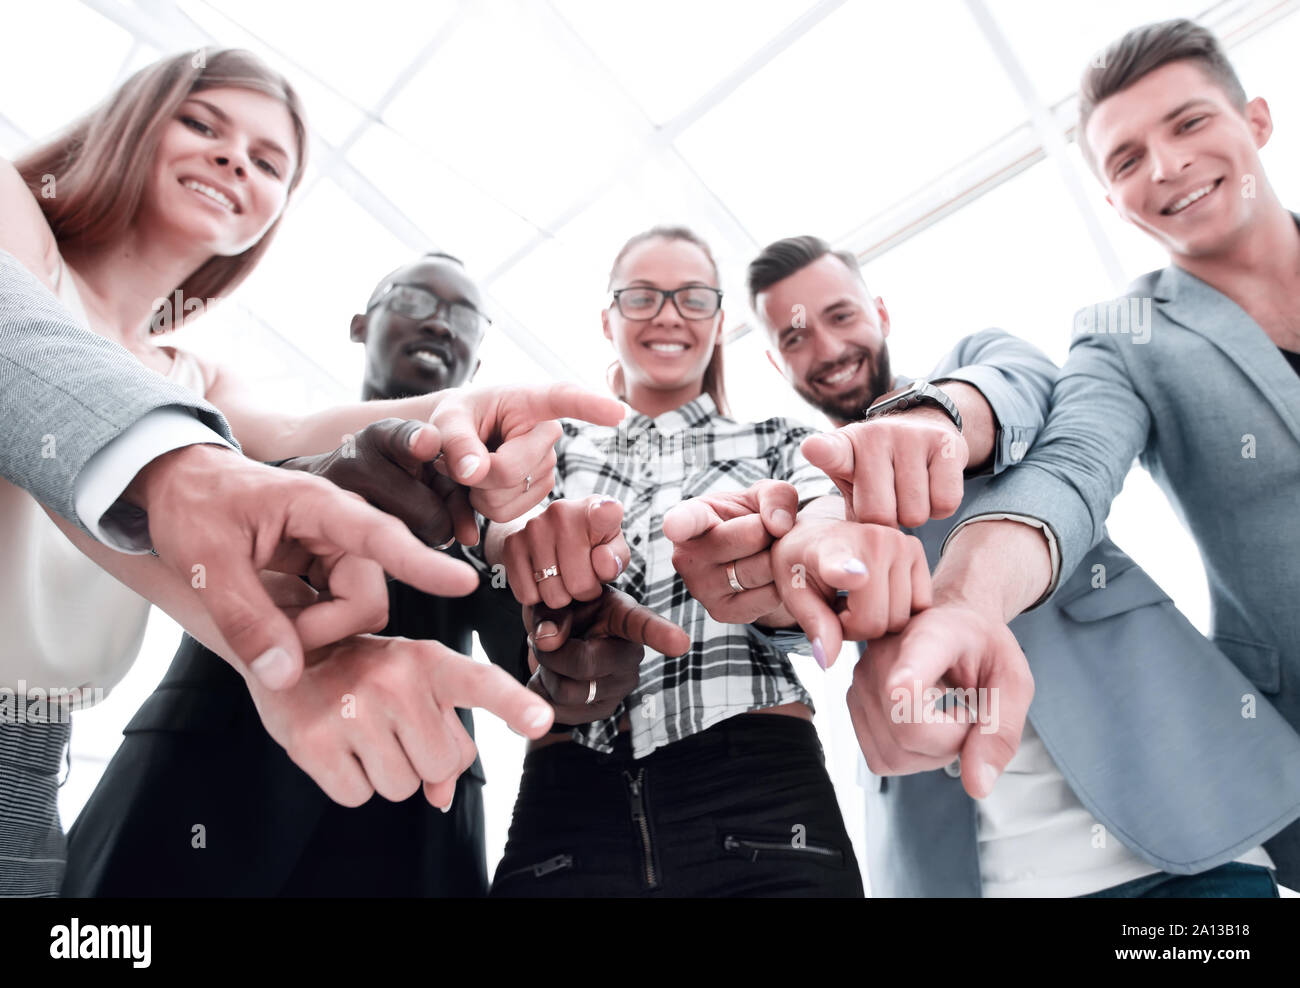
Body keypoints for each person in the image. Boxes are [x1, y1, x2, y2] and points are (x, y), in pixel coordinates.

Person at [0, 49, 620, 896]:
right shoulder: (16, 221)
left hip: (29, 767)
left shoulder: (193, 382)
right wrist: (181, 472)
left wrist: (474, 407)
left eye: (268, 163)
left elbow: (296, 430)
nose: (233, 161)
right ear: (132, 121)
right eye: (203, 124)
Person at [666, 233, 1298, 897]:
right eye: (795, 338)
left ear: (879, 313)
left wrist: (931, 425)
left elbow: (1012, 390)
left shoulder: (977, 361)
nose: (825, 349)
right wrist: (760, 584)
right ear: (775, 360)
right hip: (973, 873)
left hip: (1177, 834)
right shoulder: (795, 484)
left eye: (841, 316)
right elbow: (791, 603)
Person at [61, 253, 668, 897]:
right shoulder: (237, 424)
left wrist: (561, 631)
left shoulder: (502, 495)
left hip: (413, 801)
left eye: (463, 315)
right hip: (201, 773)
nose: (439, 324)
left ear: (479, 360)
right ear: (360, 325)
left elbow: (525, 645)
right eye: (414, 302)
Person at [924, 17, 1300, 893]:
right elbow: (1067, 475)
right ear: (1111, 199)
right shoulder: (1124, 337)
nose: (1165, 166)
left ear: (1256, 119)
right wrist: (970, 602)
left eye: (1189, 123)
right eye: (1126, 159)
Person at [480, 226, 931, 897]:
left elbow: (821, 517)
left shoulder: (782, 440)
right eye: (642, 297)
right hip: (567, 797)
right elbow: (483, 562)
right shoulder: (548, 450)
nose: (667, 314)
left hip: (757, 790)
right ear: (609, 321)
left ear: (719, 324)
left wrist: (812, 549)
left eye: (692, 298)